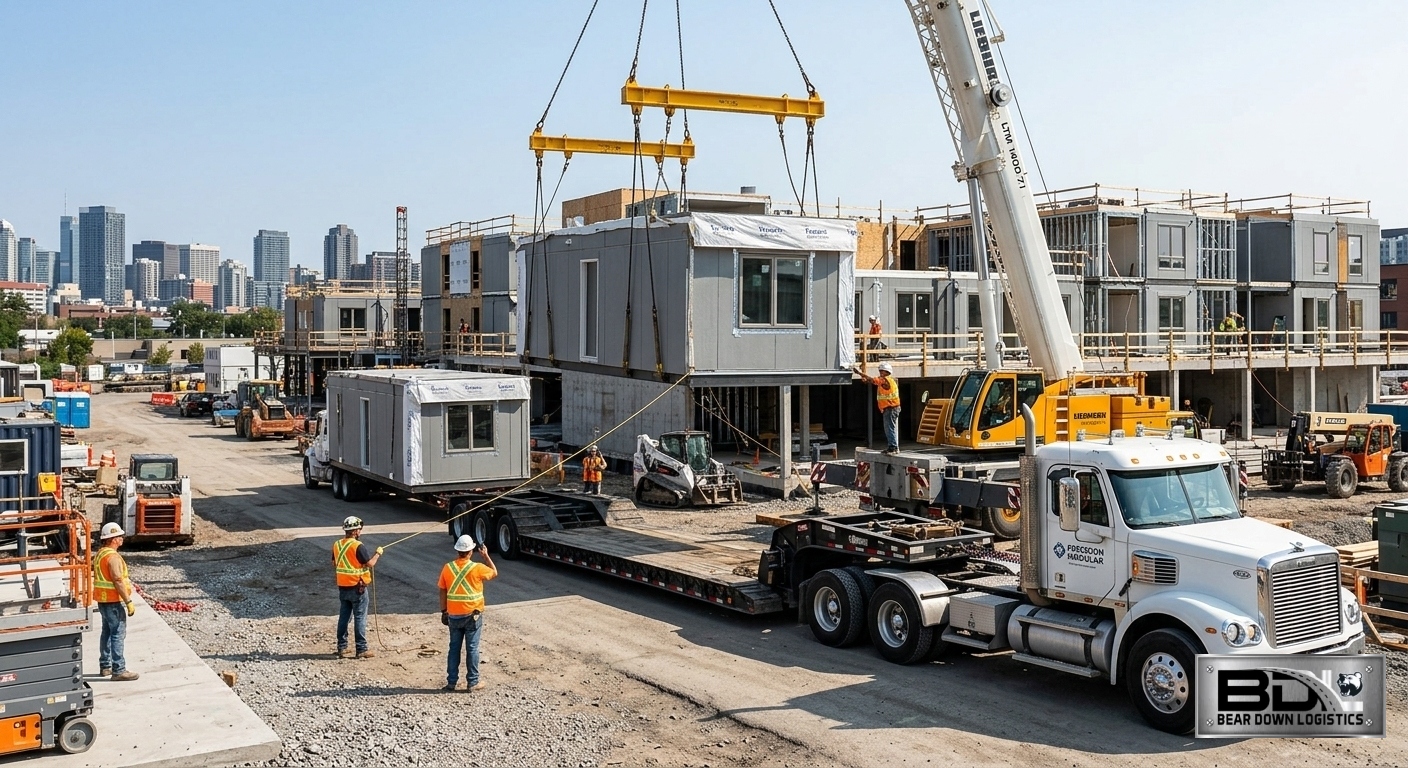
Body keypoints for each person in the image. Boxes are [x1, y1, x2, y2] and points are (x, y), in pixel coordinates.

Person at [439, 534, 498, 692]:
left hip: (454, 615)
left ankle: (451, 682)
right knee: (472, 648)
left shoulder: (447, 567)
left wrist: (444, 611)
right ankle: (472, 682)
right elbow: (494, 572)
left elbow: (442, 590)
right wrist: (486, 556)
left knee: (454, 648)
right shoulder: (477, 568)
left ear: (457, 551)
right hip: (473, 615)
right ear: (471, 551)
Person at [94, 522, 139, 681]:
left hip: (103, 601)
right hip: (113, 602)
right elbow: (118, 580)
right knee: (117, 634)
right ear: (112, 539)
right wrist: (128, 601)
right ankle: (118, 669)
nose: (122, 538)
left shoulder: (100, 554)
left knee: (106, 632)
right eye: (119, 536)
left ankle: (105, 666)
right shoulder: (112, 557)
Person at [333, 516, 382, 659]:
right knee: (360, 617)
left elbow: (334, 563)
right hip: (357, 588)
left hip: (343, 587)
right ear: (355, 531)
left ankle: (342, 647)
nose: (360, 531)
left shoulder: (337, 544)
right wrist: (378, 554)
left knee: (344, 617)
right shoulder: (357, 546)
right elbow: (370, 564)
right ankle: (361, 649)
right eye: (359, 528)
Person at [856, 362, 902, 453]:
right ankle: (892, 446)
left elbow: (873, 380)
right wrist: (866, 379)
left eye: (882, 371)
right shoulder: (889, 380)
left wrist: (859, 373)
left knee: (889, 428)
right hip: (890, 408)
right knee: (889, 428)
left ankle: (893, 447)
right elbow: (873, 381)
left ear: (887, 372)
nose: (881, 372)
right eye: (880, 371)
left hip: (890, 408)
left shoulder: (885, 380)